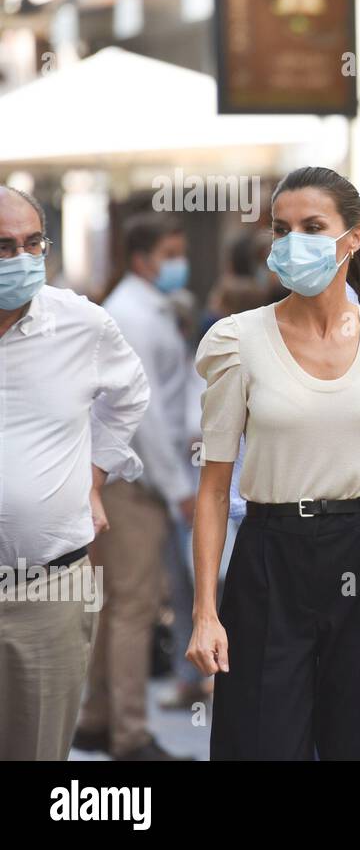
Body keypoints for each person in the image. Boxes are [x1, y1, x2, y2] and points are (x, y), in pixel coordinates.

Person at [187, 166, 360, 760]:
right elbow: (213, 490)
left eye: (313, 226)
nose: (294, 242)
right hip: (268, 559)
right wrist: (205, 611)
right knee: (258, 745)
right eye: (282, 230)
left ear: (354, 236)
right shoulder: (238, 340)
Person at [0, 186, 150, 760]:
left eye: (32, 243)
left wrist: (92, 477)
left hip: (48, 590)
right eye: (4, 246)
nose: (21, 259)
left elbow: (130, 394)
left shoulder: (80, 325)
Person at [73, 214, 194, 761]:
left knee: (111, 604)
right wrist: (177, 487)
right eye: (170, 253)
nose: (178, 263)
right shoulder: (134, 316)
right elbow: (143, 415)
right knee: (134, 607)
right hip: (134, 481)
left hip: (121, 476)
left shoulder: (138, 307)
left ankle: (98, 720)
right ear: (143, 257)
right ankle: (129, 733)